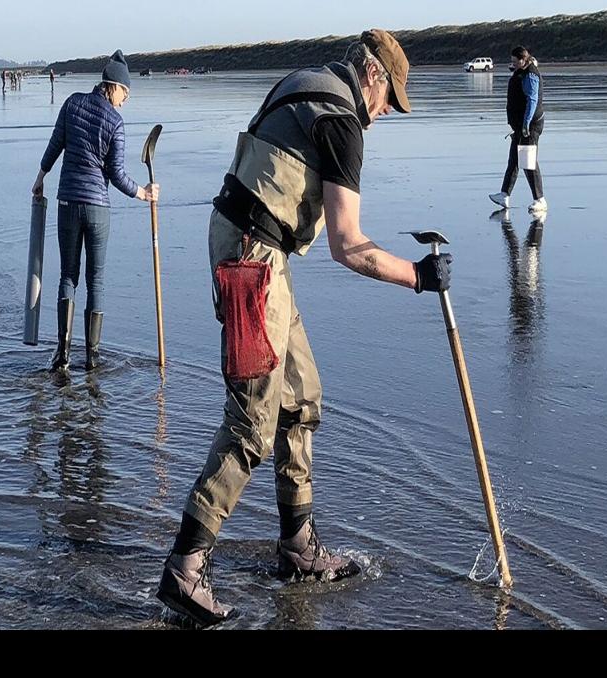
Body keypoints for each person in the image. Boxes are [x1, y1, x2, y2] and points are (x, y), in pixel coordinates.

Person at [154, 29, 453, 627]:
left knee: (301, 396)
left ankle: (298, 548)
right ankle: (185, 569)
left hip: (260, 252)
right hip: (250, 261)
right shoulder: (341, 121)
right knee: (252, 423)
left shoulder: (303, 84)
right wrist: (418, 277)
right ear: (371, 76)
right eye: (389, 98)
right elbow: (350, 246)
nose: (385, 112)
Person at [31, 50, 158, 373]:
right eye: (125, 93)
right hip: (97, 207)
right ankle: (92, 357)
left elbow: (55, 144)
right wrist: (141, 193)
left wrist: (40, 177)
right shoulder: (115, 122)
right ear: (113, 86)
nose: (125, 100)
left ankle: (62, 353)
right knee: (96, 280)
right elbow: (115, 173)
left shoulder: (72, 103)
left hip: (68, 202)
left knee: (68, 276)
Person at [489, 46, 546, 213]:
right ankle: (504, 194)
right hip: (520, 125)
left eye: (515, 61)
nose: (512, 64)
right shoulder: (521, 72)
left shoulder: (531, 75)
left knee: (528, 162)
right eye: (512, 61)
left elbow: (532, 100)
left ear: (523, 60)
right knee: (514, 159)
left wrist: (526, 124)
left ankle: (540, 199)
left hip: (530, 125)